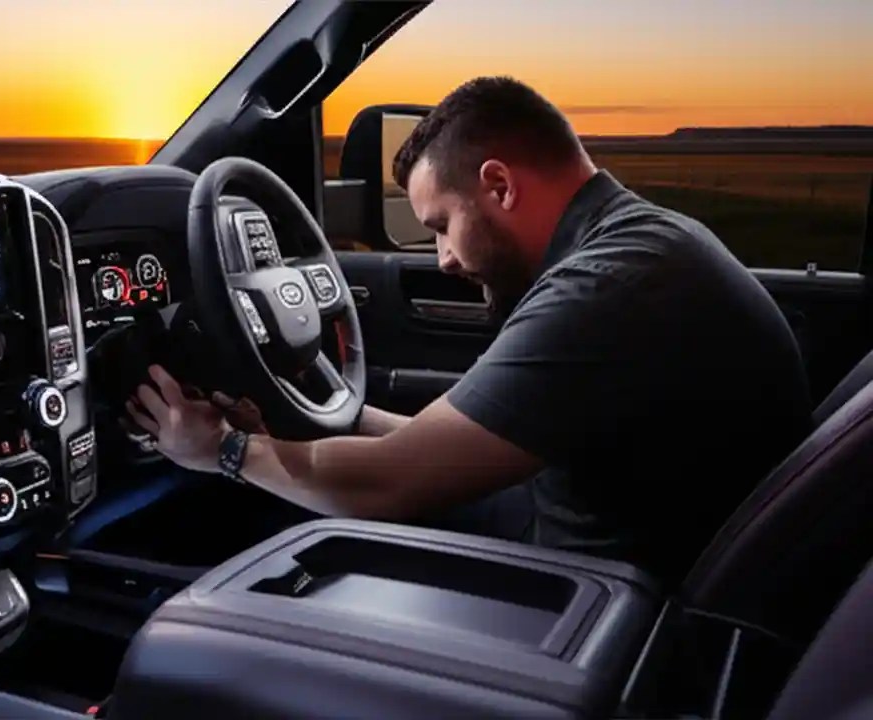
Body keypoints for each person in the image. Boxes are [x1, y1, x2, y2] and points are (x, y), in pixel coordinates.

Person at [125, 76, 813, 585]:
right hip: (605, 541)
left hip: (608, 602)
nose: (444, 259)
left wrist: (223, 450)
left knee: (263, 537)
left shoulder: (605, 288)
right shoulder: (638, 245)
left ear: (500, 186)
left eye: (442, 227)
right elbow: (434, 445)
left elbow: (392, 482)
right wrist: (294, 423)